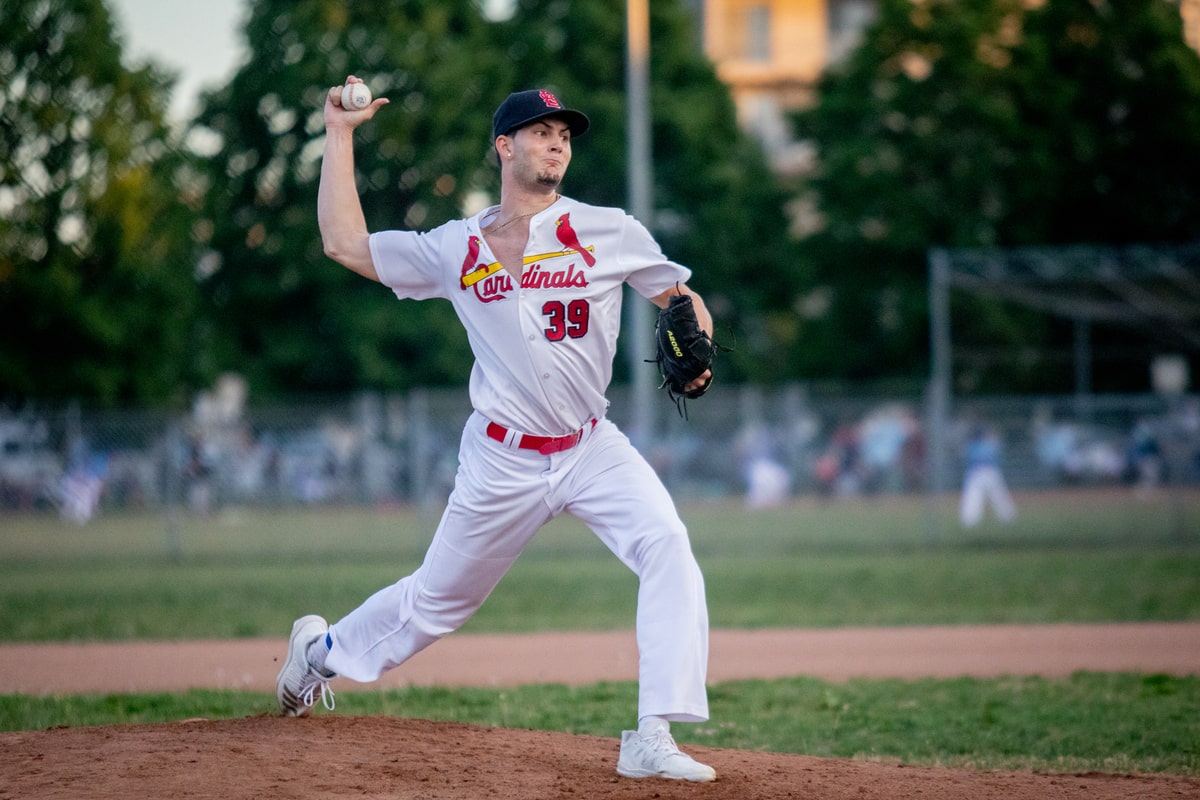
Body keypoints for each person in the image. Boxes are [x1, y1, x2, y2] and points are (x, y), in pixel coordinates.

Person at [275, 78, 718, 783]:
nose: (557, 145)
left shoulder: (606, 229)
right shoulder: (456, 246)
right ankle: (319, 652)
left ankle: (652, 736)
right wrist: (339, 132)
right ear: (504, 146)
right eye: (543, 132)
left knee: (666, 543)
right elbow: (344, 244)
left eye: (566, 136)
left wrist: (697, 354)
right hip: (501, 458)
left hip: (590, 445)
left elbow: (680, 296)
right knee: (436, 603)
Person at [959, 423, 1017, 528]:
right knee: (998, 496)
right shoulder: (989, 445)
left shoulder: (972, 446)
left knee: (973, 497)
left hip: (977, 473)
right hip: (988, 472)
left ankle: (969, 520)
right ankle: (1008, 517)